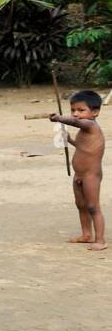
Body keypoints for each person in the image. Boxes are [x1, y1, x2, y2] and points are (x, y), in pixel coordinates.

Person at [51, 89, 105, 250]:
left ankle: (101, 240)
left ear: (95, 112)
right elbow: (83, 147)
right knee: (81, 205)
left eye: (81, 110)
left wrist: (59, 118)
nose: (75, 114)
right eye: (73, 110)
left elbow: (76, 122)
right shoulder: (84, 131)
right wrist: (70, 140)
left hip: (91, 176)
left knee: (93, 207)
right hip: (79, 175)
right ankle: (86, 234)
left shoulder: (91, 126)